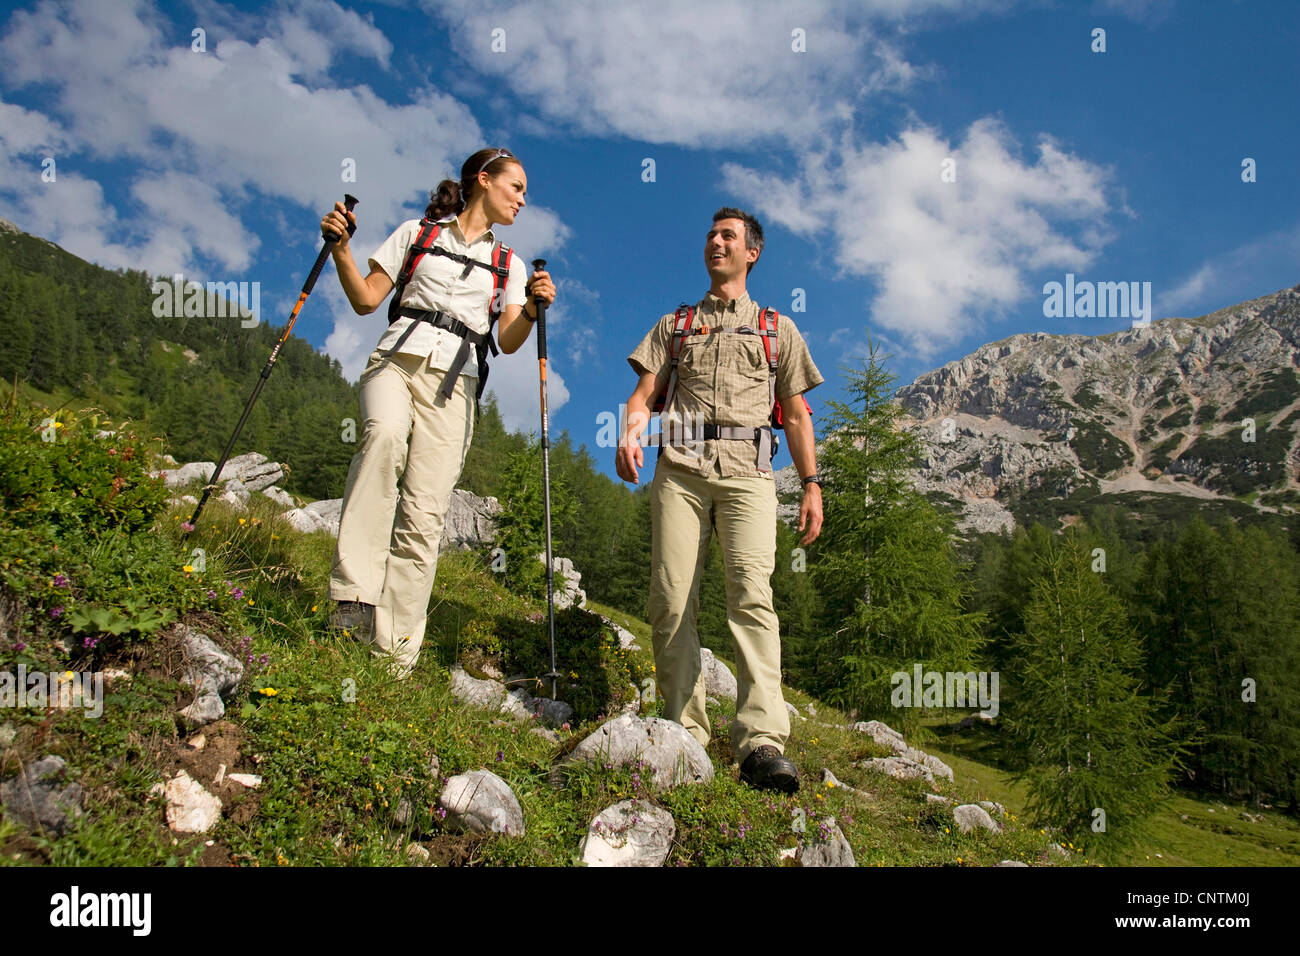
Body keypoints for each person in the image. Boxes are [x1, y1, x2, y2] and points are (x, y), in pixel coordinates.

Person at [322, 147, 555, 676]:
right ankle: (353, 600)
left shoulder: (509, 264)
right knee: (382, 437)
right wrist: (342, 250)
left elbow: (510, 339)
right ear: (483, 179)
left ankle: (393, 657)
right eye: (516, 186)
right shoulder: (417, 233)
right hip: (398, 360)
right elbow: (365, 299)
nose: (522, 199)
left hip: (457, 383)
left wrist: (535, 308)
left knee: (425, 512)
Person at [616, 207, 823, 792]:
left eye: (728, 235)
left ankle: (760, 742)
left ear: (751, 252)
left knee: (752, 595)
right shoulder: (674, 325)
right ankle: (683, 732)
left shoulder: (777, 329)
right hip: (679, 470)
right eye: (710, 233)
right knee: (671, 597)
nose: (715, 241)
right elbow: (642, 396)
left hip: (750, 476)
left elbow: (799, 415)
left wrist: (811, 484)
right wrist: (632, 430)